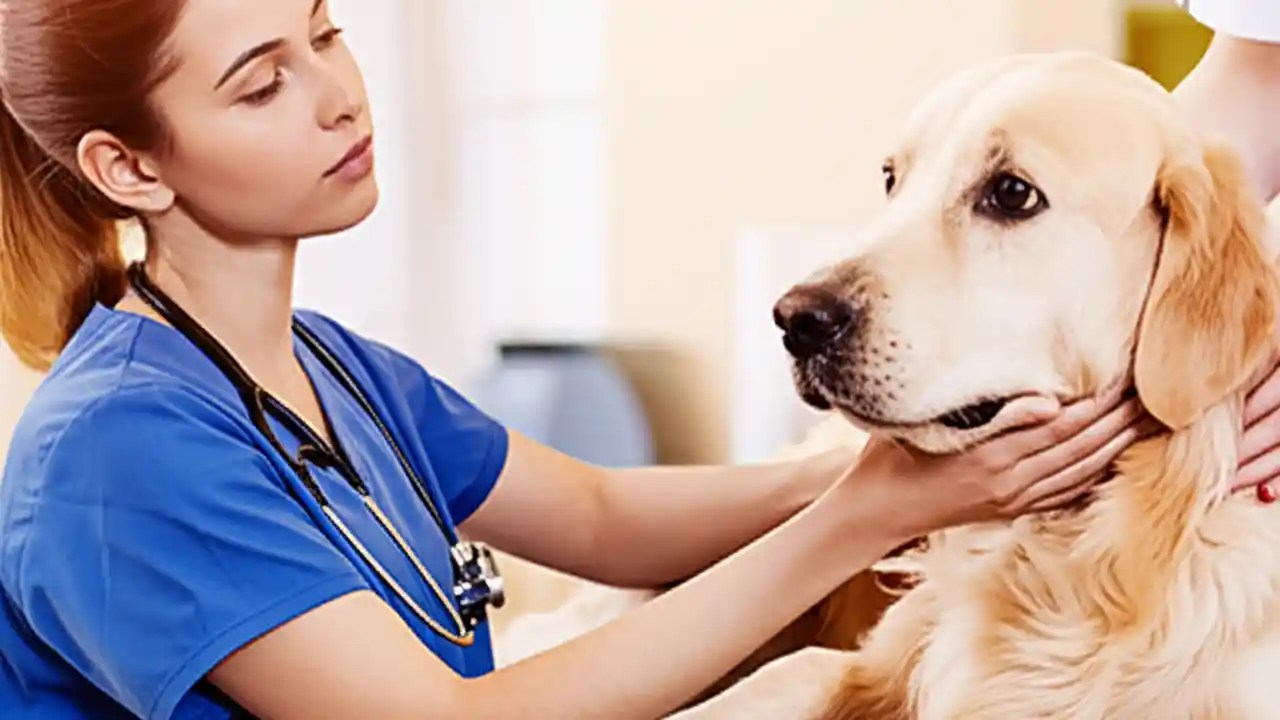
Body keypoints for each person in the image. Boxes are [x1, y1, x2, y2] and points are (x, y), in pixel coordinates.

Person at [0, 1, 1253, 719]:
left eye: (326, 32)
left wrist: (898, 474)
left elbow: (600, 515)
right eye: (264, 82)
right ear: (130, 166)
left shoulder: (328, 370)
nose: (339, 95)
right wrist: (869, 510)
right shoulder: (118, 454)